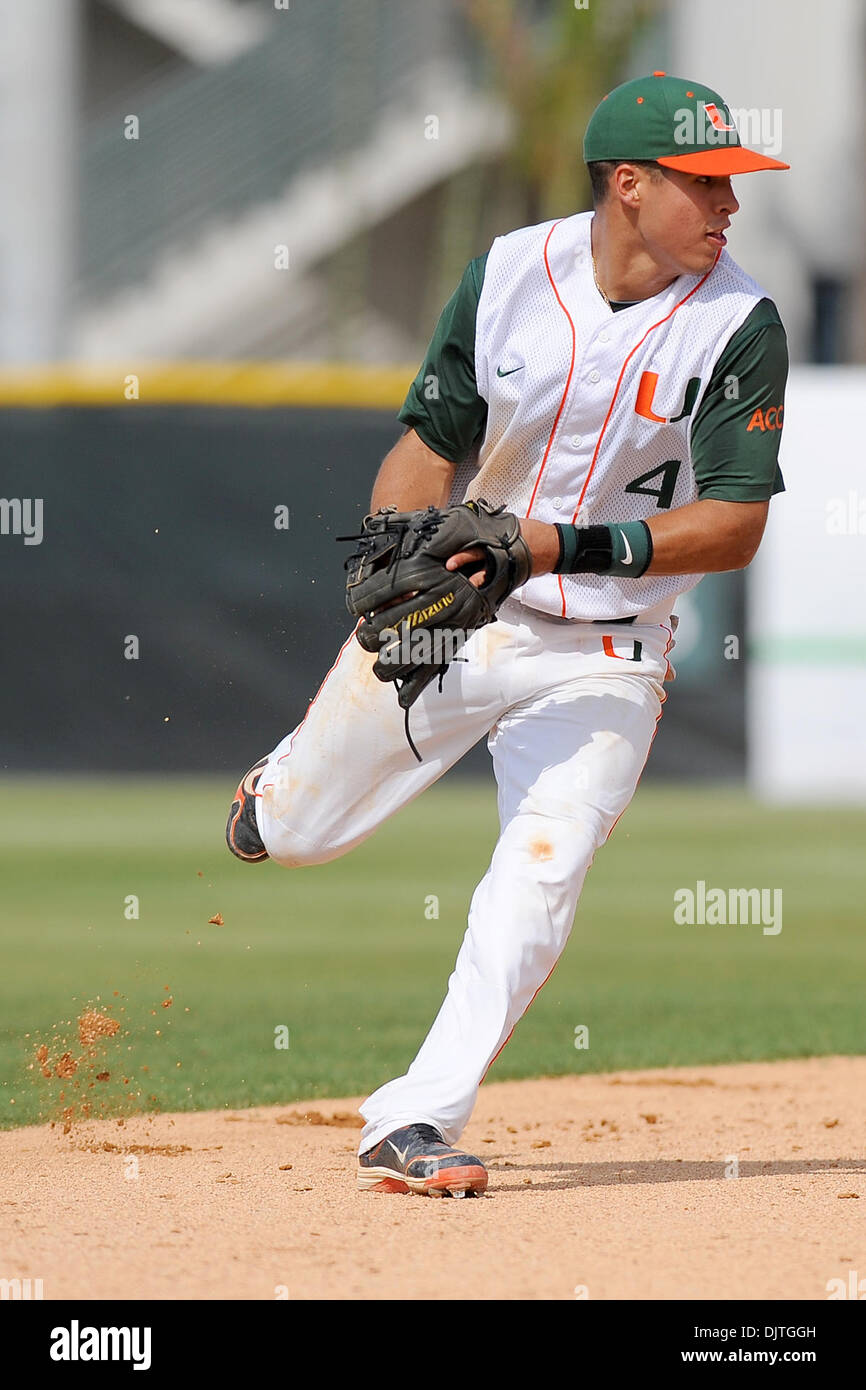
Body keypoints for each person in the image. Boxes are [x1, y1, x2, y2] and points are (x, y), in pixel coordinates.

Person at [226, 74, 789, 1198]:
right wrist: (396, 545)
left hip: (606, 650)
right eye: (706, 183)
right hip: (465, 613)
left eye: (732, 184)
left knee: (542, 867)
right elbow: (429, 443)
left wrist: (559, 547)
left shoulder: (740, 323)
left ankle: (415, 1116)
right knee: (294, 836)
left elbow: (732, 526)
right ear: (628, 185)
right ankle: (274, 790)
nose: (728, 205)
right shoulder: (506, 277)